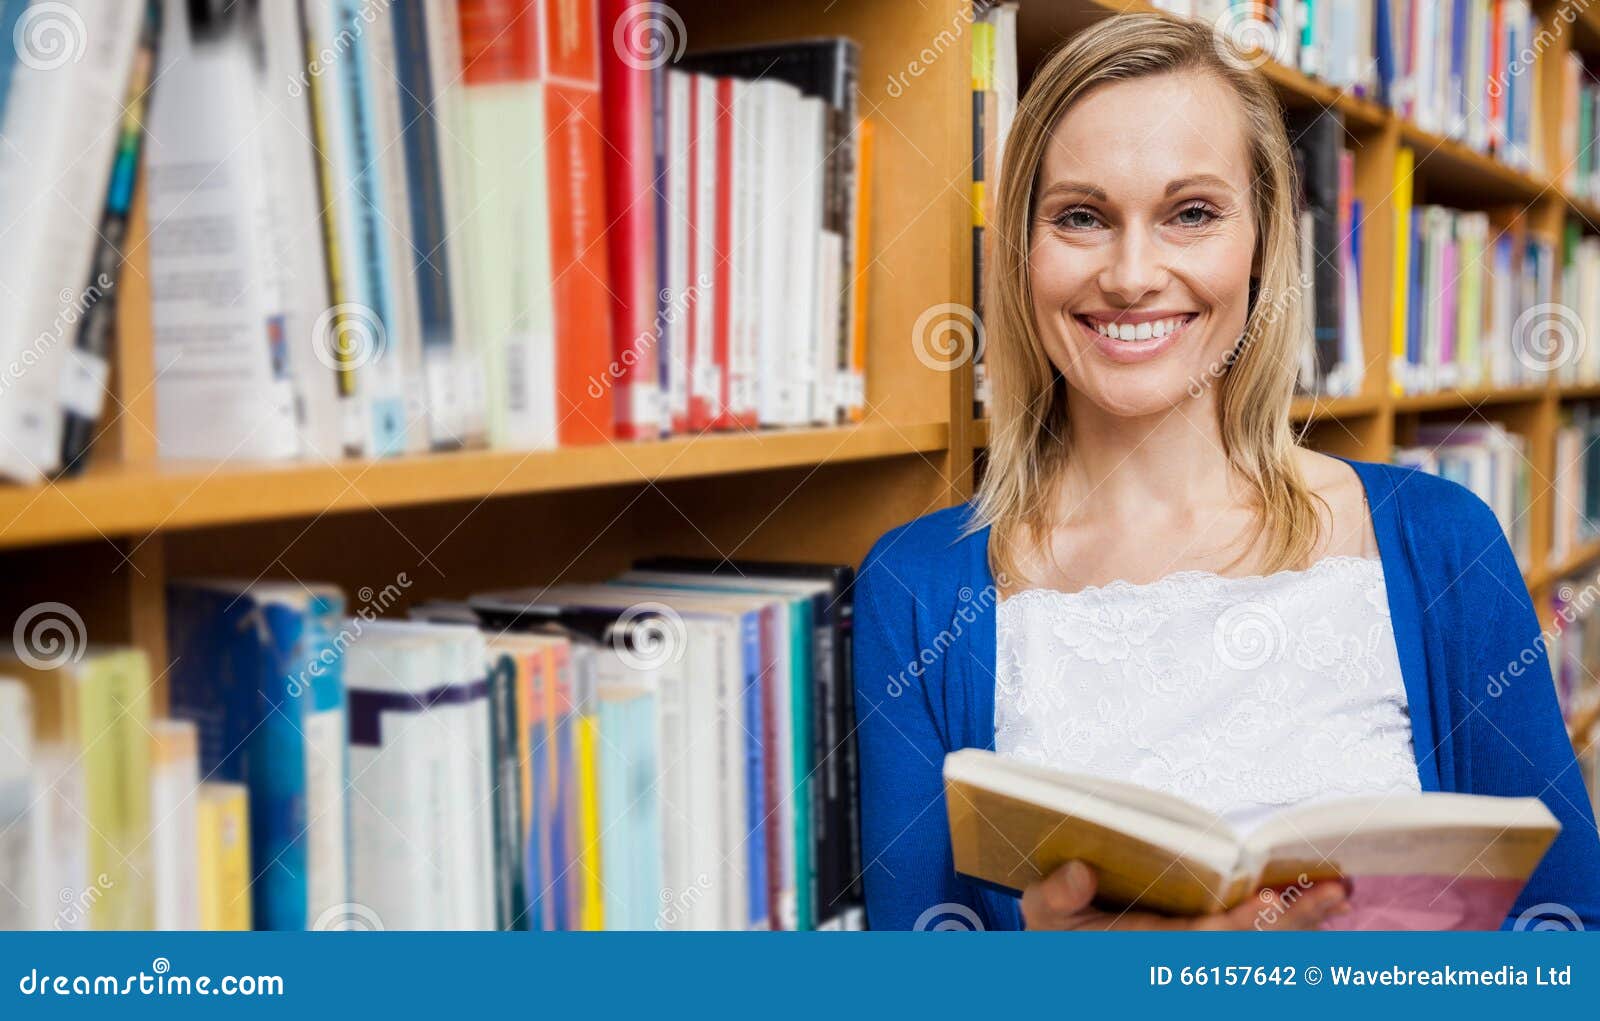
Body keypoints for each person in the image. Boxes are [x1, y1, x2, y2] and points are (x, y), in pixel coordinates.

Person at [852, 12, 1600, 931]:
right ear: (1022, 251)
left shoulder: (1442, 539)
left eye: (1192, 213)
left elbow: (1570, 936)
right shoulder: (916, 588)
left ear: (1262, 244)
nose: (1132, 275)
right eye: (1081, 216)